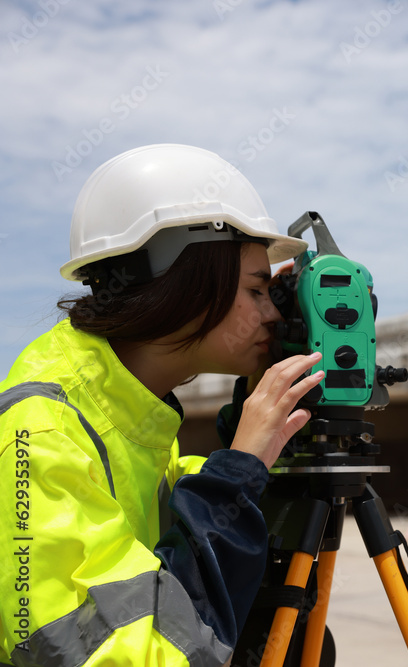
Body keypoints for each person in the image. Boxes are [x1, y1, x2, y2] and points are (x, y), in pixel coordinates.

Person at [0, 144, 324, 666]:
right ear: (189, 279)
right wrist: (236, 476)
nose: (273, 315)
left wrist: (259, 459)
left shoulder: (132, 420)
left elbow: (174, 528)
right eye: (258, 290)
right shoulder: (42, 437)